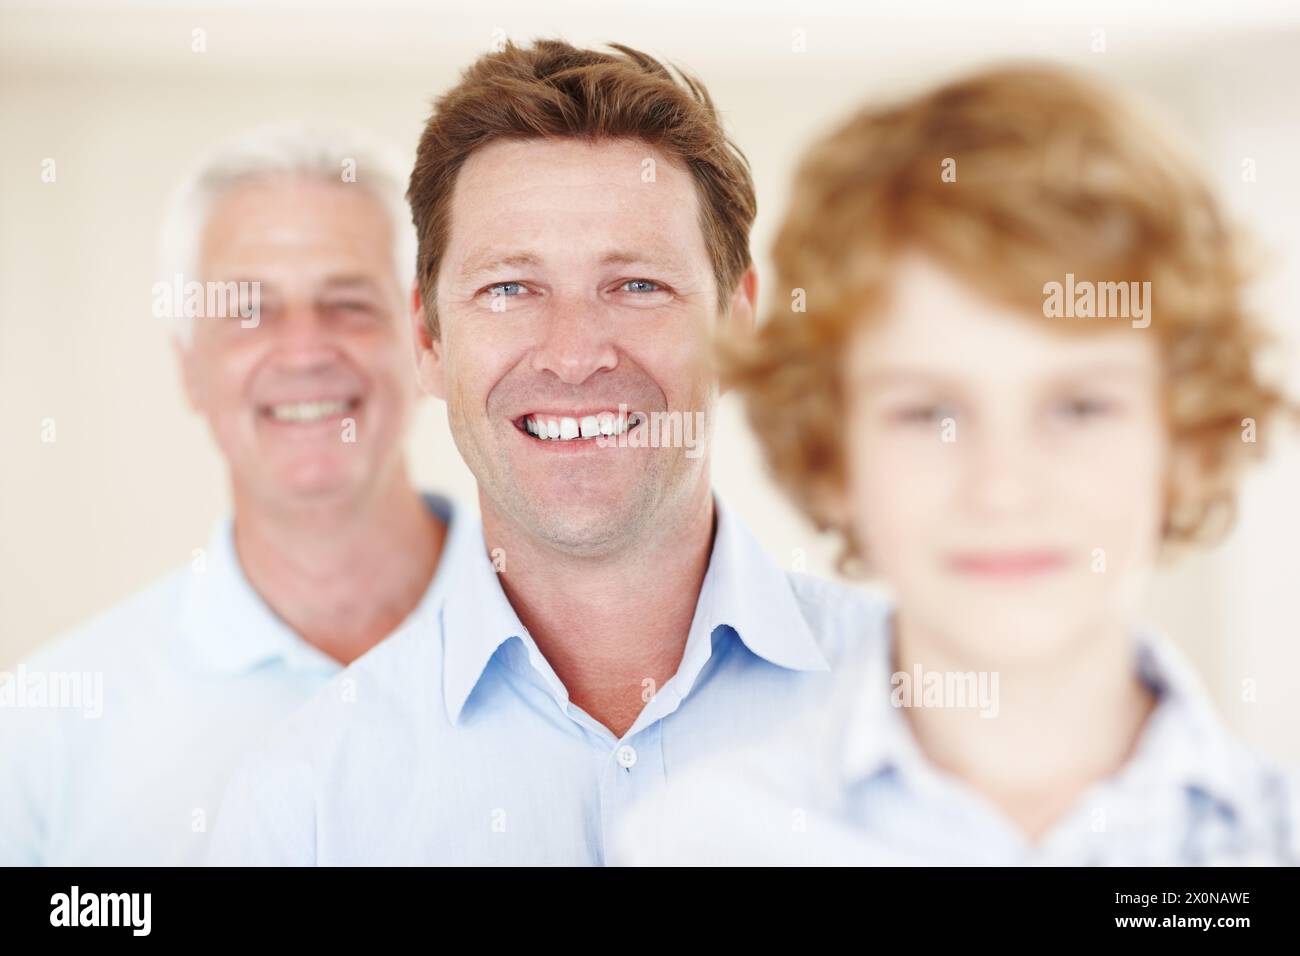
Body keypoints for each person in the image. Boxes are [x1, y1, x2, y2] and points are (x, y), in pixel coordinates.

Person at [207, 40, 886, 865]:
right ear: (427, 338)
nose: (572, 355)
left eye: (637, 285)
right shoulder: (304, 803)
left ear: (737, 325)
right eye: (509, 288)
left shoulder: (926, 712)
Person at [615, 65, 1299, 865]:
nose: (1002, 487)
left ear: (1186, 442)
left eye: (1079, 408)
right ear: (834, 457)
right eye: (929, 413)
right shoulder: (698, 845)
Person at [0, 122, 452, 865]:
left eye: (349, 303)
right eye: (249, 310)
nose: (305, 349)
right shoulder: (43, 728)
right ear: (190, 368)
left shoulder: (572, 664)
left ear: (424, 343)